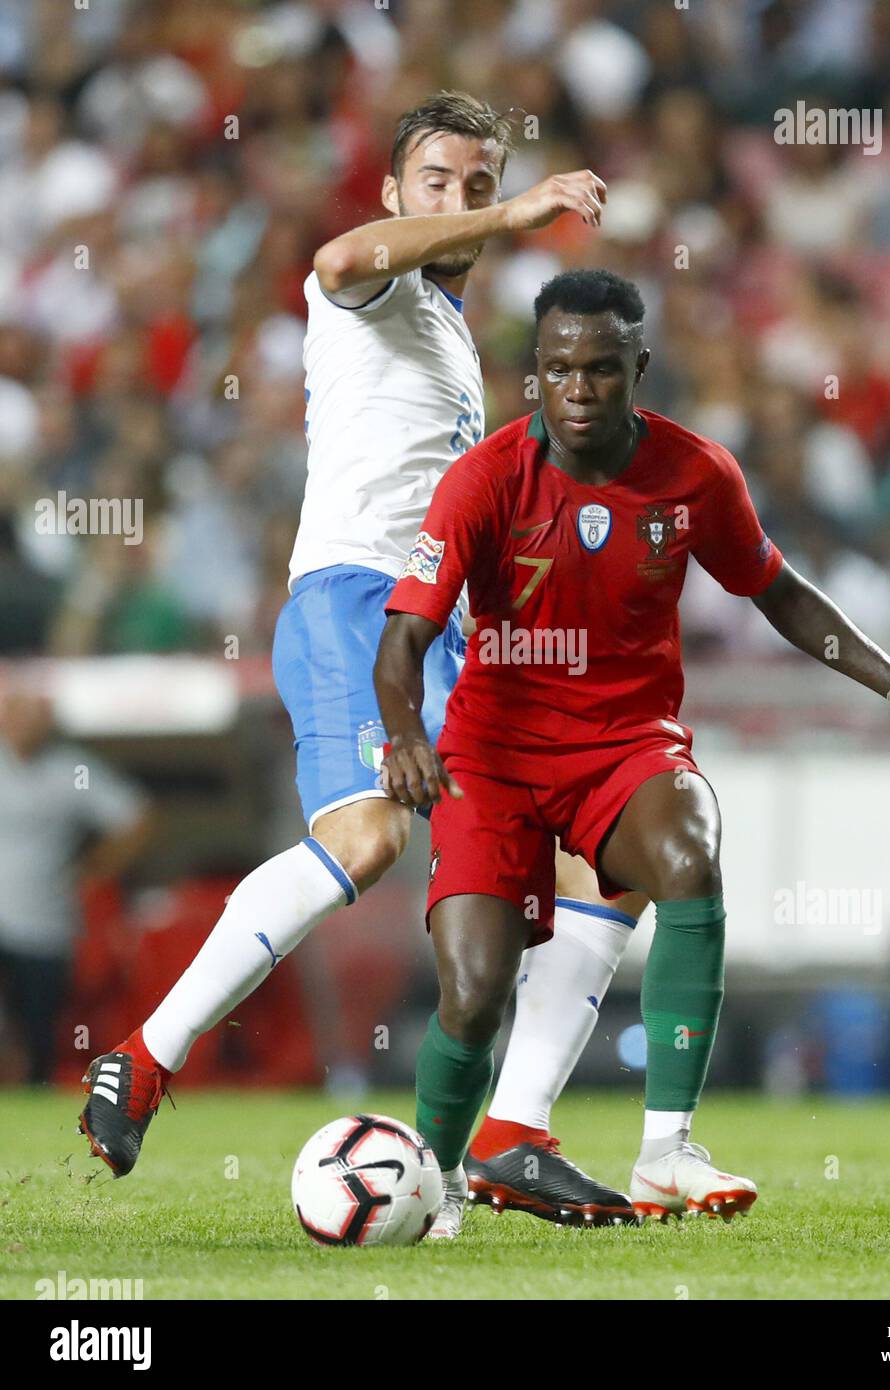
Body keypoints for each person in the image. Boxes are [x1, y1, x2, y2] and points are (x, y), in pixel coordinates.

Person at [79, 93, 645, 1229]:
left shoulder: (444, 334)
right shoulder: (367, 286)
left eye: (478, 186)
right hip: (351, 599)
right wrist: (527, 210)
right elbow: (340, 252)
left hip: (442, 629)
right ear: (395, 193)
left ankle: (509, 1137)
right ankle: (145, 1054)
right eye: (436, 180)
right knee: (368, 835)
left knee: (596, 865)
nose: (459, 201)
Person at [372, 268, 890, 1236]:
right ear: (532, 379)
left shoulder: (693, 473)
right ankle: (438, 1181)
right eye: (558, 370)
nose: (579, 389)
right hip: (494, 752)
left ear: (637, 367)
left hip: (625, 745)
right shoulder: (485, 481)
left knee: (690, 854)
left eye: (600, 369)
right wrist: (403, 735)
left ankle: (665, 1147)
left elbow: (782, 593)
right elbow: (402, 642)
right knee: (469, 996)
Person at [0, 682, 153, 1083]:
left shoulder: (71, 770)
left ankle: (32, 1108)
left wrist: (97, 867)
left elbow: (136, 817)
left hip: (44, 925)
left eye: (29, 714)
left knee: (39, 1030)